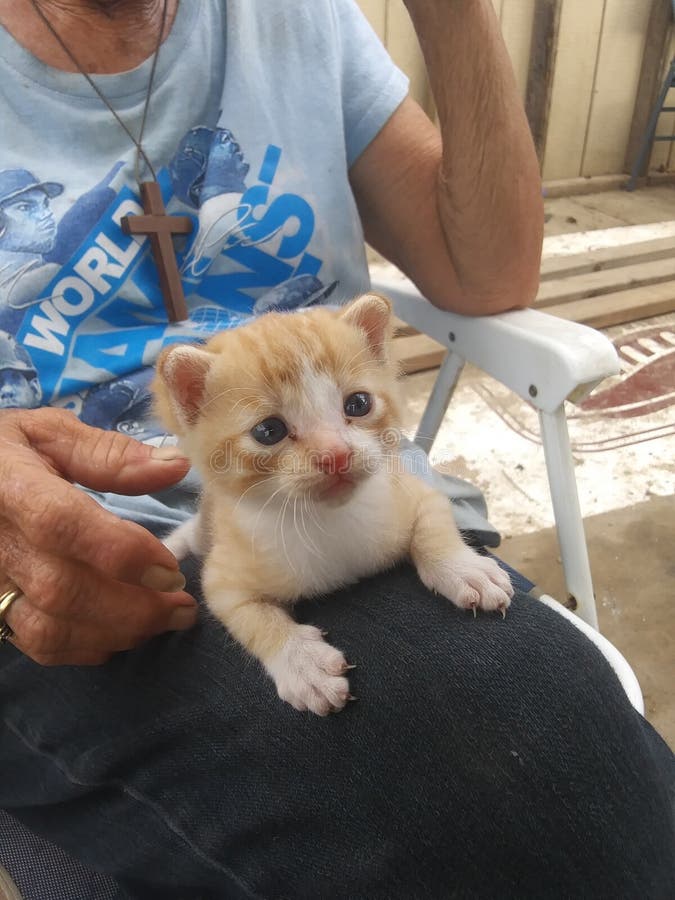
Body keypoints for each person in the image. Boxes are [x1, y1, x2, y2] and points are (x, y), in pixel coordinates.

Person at [0, 1, 672, 898]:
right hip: (65, 573)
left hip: (356, 520)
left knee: (554, 766)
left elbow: (490, 274)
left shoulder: (300, 14)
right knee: (520, 806)